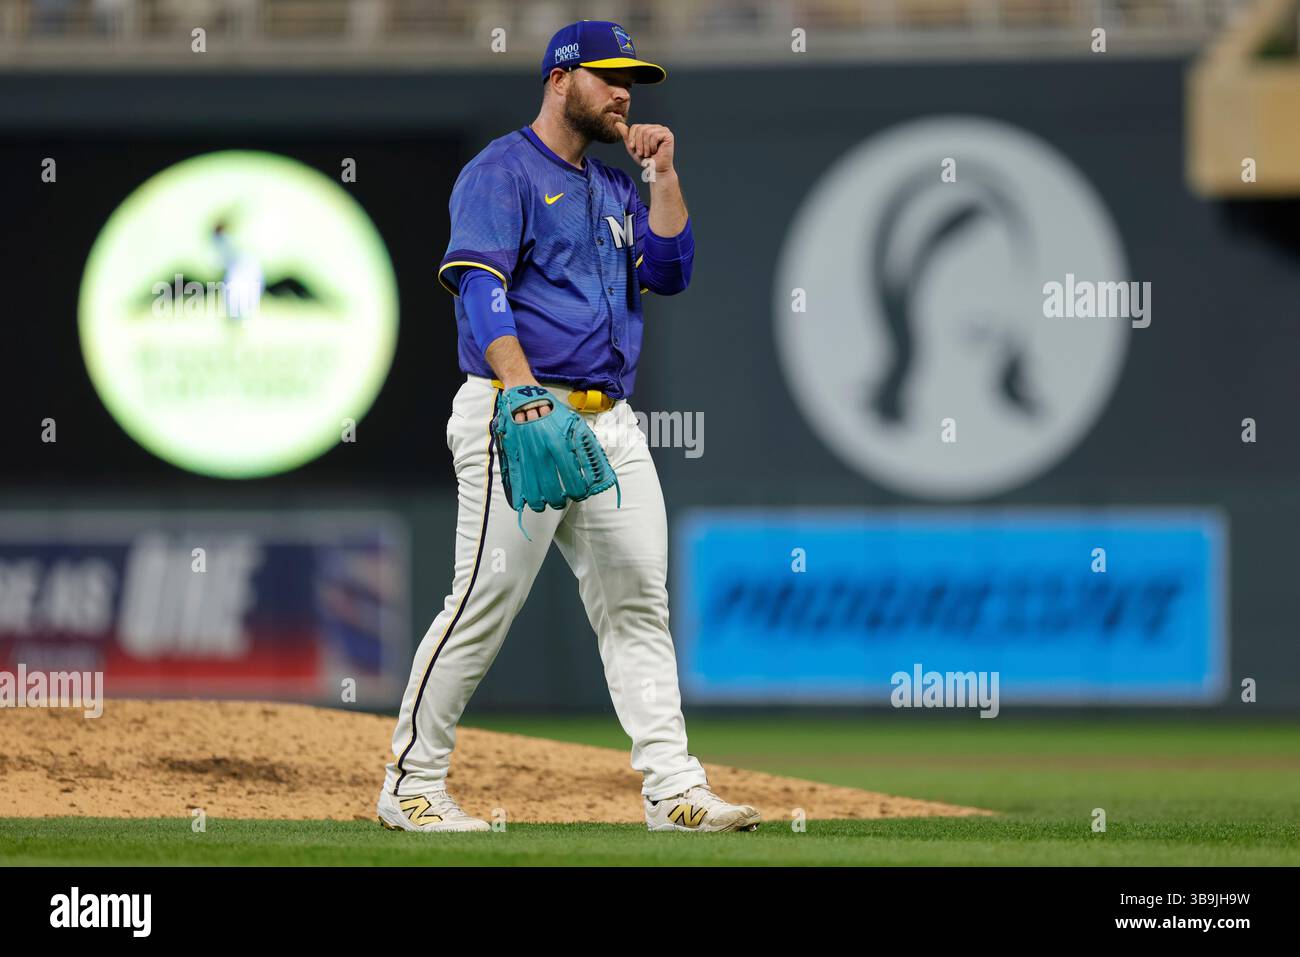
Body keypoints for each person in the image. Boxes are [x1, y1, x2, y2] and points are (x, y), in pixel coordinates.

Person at [377, 20, 760, 834]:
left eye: (633, 80)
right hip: (516, 408)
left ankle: (672, 790)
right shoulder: (503, 171)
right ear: (560, 79)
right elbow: (479, 287)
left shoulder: (617, 186)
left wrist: (661, 177)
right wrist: (521, 391)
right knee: (484, 597)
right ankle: (411, 784)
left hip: (609, 423)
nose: (625, 92)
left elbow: (671, 269)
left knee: (637, 605)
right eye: (609, 76)